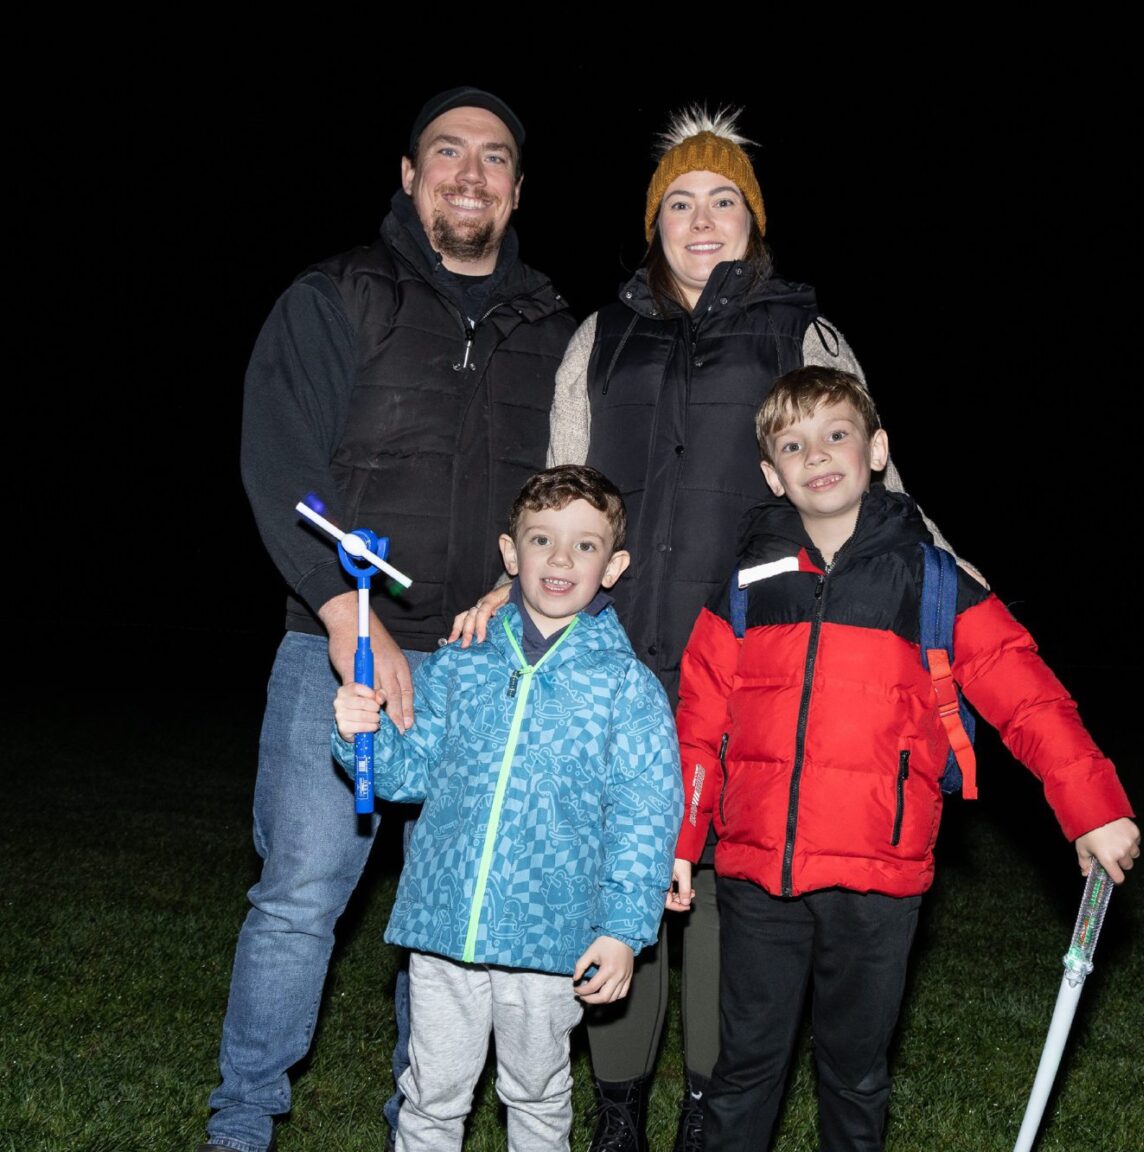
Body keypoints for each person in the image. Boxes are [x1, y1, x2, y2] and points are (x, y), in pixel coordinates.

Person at [454, 105, 968, 1152]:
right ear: (656, 221)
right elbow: (561, 478)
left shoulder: (804, 332)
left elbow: (874, 486)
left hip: (762, 653)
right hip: (622, 643)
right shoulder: (604, 335)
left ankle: (709, 1098)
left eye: (722, 200)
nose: (700, 219)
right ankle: (617, 1100)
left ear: (753, 221)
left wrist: (958, 584)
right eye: (679, 201)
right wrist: (510, 585)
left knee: (733, 889)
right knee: (627, 871)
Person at [201, 87, 576, 1152]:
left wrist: (520, 589)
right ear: (408, 178)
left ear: (515, 190)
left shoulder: (549, 325)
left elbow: (570, 485)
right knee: (300, 899)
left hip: (480, 662)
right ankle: (242, 1126)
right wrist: (339, 609)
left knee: (447, 917)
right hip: (339, 650)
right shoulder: (335, 297)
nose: (470, 173)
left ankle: (424, 1124)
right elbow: (278, 468)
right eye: (446, 152)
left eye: (494, 157)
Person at [673, 365, 1141, 1152]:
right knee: (743, 1070)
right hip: (757, 874)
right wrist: (683, 840)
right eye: (793, 444)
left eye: (836, 434)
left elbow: (1028, 700)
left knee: (853, 1072)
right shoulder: (747, 586)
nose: (816, 454)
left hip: (876, 875)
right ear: (770, 473)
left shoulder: (931, 580)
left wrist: (1091, 808)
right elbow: (698, 723)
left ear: (877, 448)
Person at [332, 464, 683, 1152]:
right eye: (541, 539)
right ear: (508, 553)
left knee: (536, 1092)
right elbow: (405, 775)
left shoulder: (624, 687)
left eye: (584, 545)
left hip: (550, 936)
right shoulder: (459, 662)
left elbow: (645, 813)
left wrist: (620, 929)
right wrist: (356, 736)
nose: (559, 559)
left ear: (612, 566)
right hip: (445, 926)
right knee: (430, 1093)